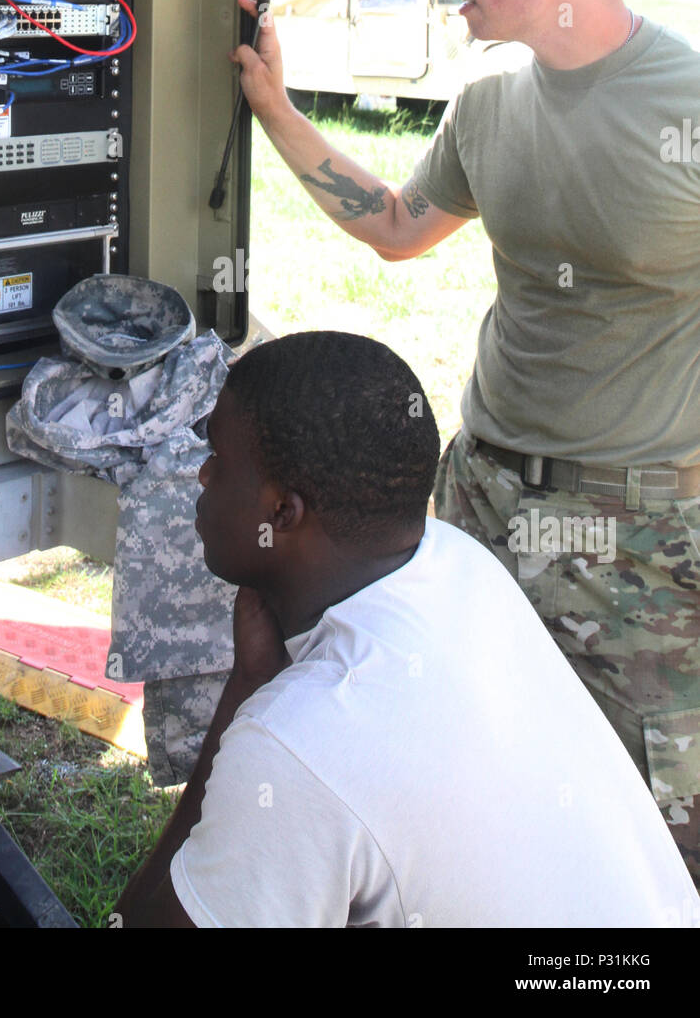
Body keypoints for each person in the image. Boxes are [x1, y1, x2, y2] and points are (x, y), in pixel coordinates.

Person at [227, 0, 700, 888]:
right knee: (480, 768)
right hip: (481, 497)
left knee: (657, 818)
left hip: (640, 535)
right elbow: (397, 226)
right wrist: (279, 113)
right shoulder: (491, 104)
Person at [114, 331, 697, 928]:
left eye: (219, 460)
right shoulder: (461, 563)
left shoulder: (298, 743)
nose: (204, 475)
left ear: (282, 513)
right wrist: (251, 681)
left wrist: (250, 704)